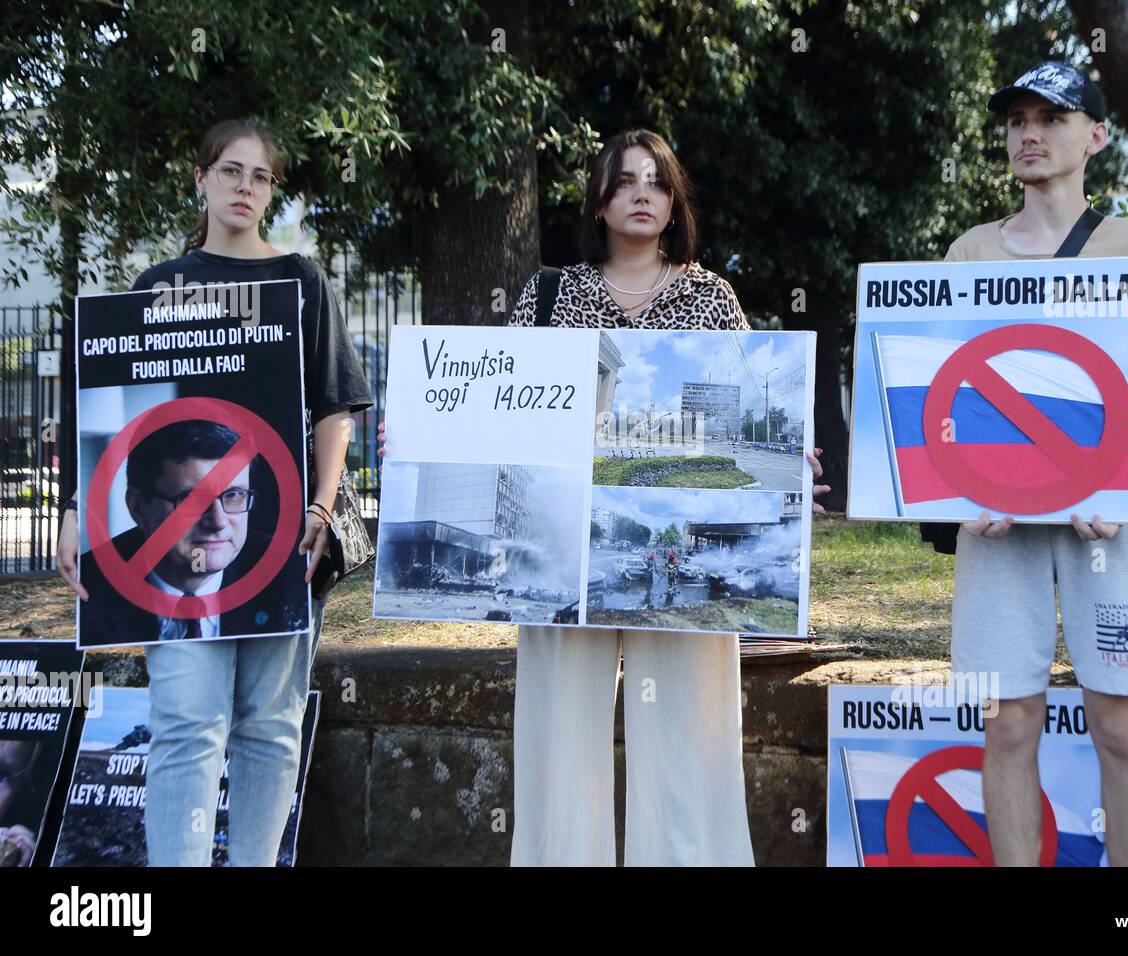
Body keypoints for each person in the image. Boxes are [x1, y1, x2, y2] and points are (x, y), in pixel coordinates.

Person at [380, 129, 829, 865]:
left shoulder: (711, 297)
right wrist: (424, 443)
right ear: (599, 201)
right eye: (625, 181)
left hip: (671, 546)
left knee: (691, 732)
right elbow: (495, 409)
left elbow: (755, 411)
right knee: (559, 733)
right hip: (564, 551)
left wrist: (789, 472)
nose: (642, 193)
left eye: (656, 181)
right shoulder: (551, 294)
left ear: (674, 197)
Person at [57, 118, 372, 866]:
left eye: (260, 177)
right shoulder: (158, 286)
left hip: (284, 540)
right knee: (186, 724)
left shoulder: (302, 280)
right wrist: (76, 508)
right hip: (179, 554)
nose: (245, 188)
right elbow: (111, 388)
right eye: (231, 172)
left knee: (270, 723)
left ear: (272, 191)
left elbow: (334, 409)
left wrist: (322, 507)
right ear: (200, 180)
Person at [940, 62, 1128, 866]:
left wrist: (1126, 483)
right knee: (1006, 722)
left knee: (1120, 725)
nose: (1029, 133)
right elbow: (946, 396)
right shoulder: (968, 252)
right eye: (1015, 121)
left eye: (1051, 116)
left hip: (1111, 520)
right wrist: (957, 492)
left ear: (1097, 136)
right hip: (997, 519)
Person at [77, 419, 307, 646]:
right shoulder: (84, 591)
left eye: (234, 495)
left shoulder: (295, 571)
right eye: (190, 500)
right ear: (138, 507)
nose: (217, 522)